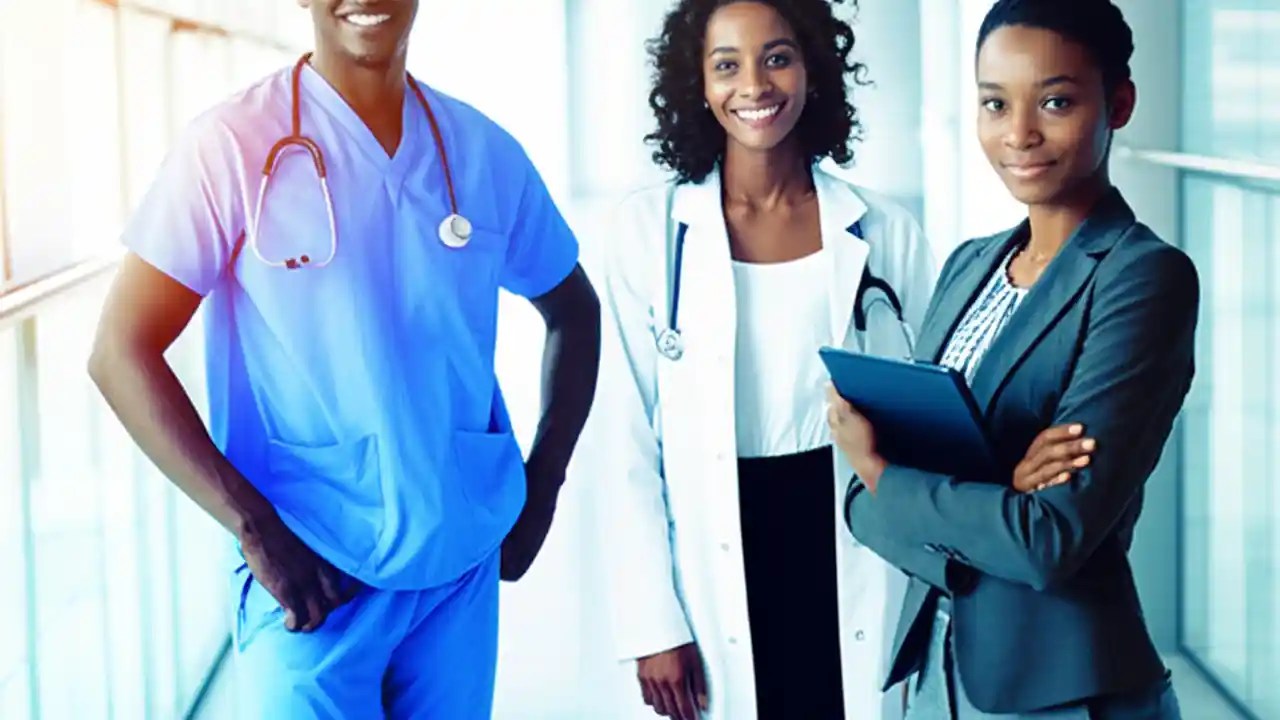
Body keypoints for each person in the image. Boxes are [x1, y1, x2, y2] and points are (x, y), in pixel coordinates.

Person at [87, 0, 601, 717]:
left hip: (456, 570)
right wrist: (253, 527)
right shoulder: (231, 145)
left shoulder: (482, 152)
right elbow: (120, 350)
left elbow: (575, 310)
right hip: (307, 575)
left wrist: (543, 483)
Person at [828, 0, 1195, 718]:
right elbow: (860, 515)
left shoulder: (1142, 277)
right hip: (931, 675)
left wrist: (883, 471)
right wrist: (995, 488)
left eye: (1056, 101)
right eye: (995, 103)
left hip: (1063, 688)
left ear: (1117, 102)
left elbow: (1046, 541)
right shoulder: (969, 266)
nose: (1019, 133)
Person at [597, 1, 942, 718]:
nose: (754, 84)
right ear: (697, 84)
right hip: (717, 545)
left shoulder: (883, 232)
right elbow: (625, 443)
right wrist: (652, 625)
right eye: (727, 64)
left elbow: (932, 418)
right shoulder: (650, 234)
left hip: (851, 541)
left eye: (777, 57)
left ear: (814, 69)